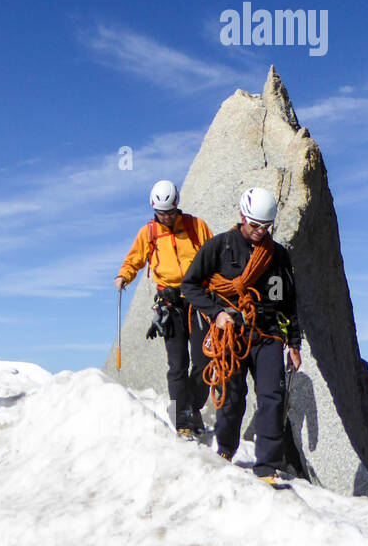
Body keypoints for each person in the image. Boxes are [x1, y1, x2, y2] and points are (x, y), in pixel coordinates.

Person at [180, 187, 302, 484]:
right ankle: (225, 448)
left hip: (267, 332)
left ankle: (266, 467)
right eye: (255, 225)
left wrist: (294, 343)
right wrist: (215, 313)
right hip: (231, 333)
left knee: (272, 396)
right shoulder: (219, 247)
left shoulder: (276, 256)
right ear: (242, 216)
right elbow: (190, 285)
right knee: (232, 398)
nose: (260, 232)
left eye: (266, 227)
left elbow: (285, 301)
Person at [114, 180, 213, 438]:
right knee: (177, 364)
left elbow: (213, 256)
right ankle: (182, 420)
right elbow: (135, 258)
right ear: (154, 209)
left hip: (197, 298)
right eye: (162, 213)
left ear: (177, 204)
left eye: (170, 211)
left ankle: (193, 406)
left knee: (205, 361)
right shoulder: (149, 232)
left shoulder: (196, 226)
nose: (167, 217)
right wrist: (124, 275)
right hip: (169, 303)